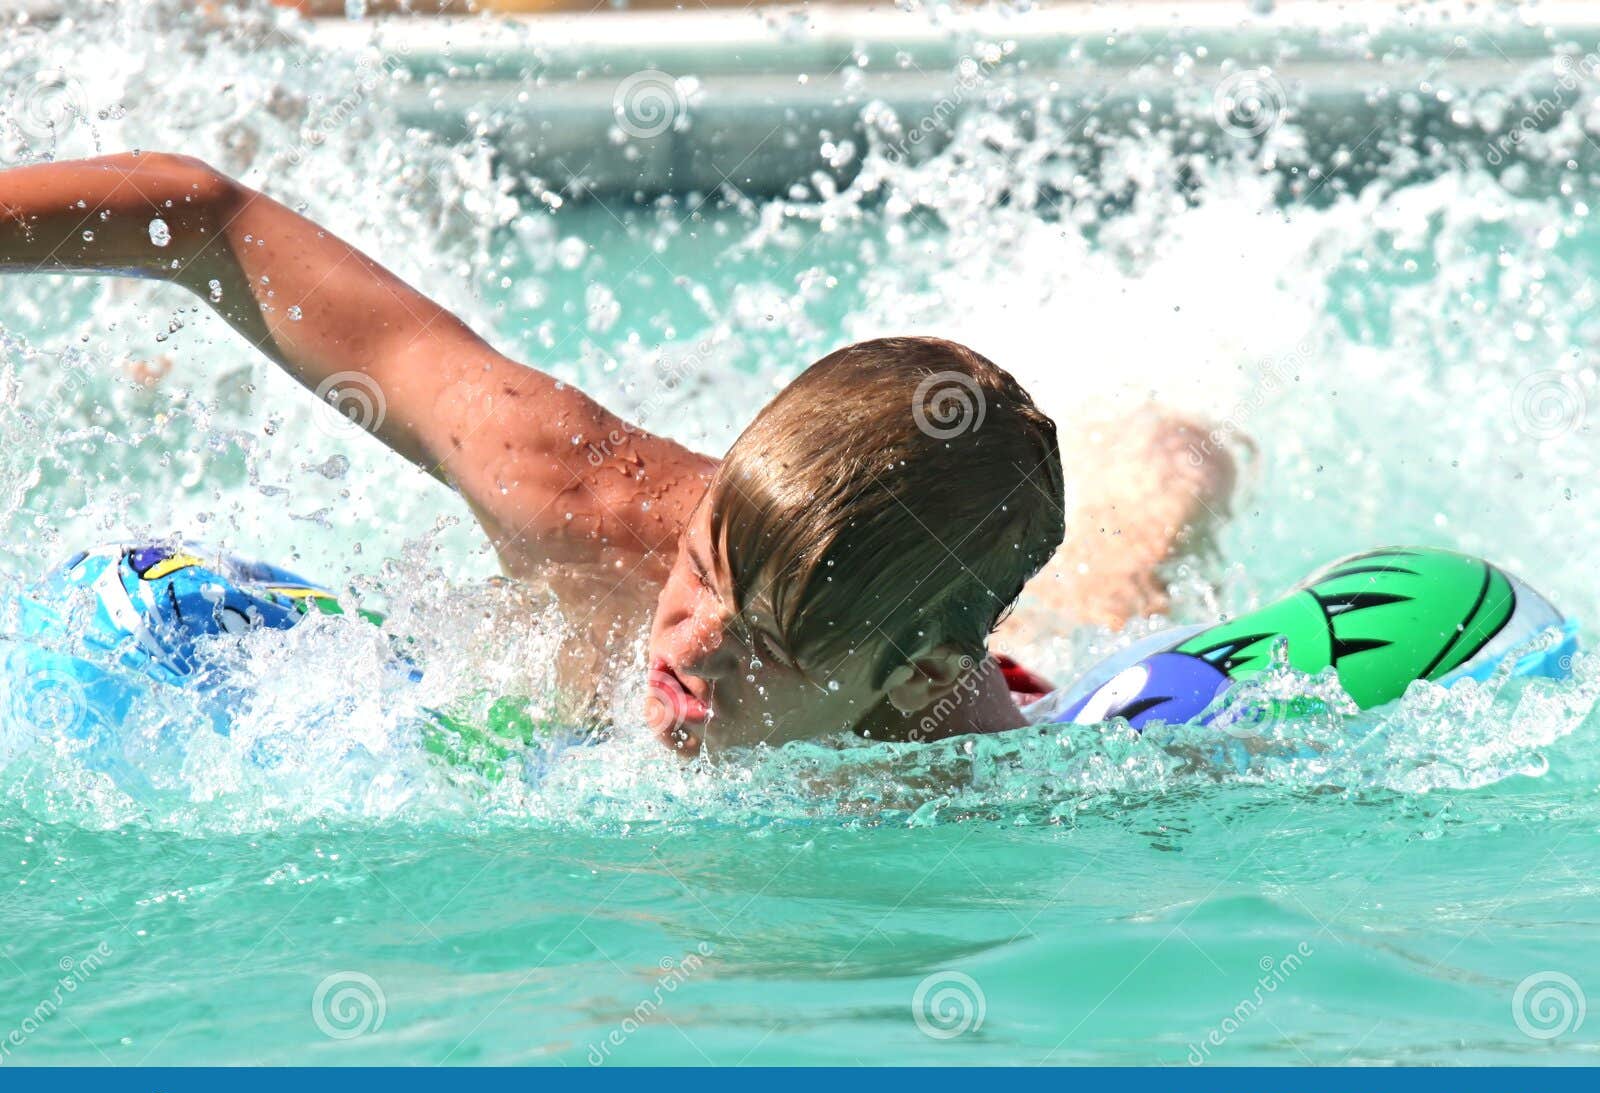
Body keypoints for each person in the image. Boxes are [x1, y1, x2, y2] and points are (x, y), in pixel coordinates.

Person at [0, 152, 1234, 756]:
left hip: (968, 645)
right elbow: (202, 218)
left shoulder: (945, 746)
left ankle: (1170, 480)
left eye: (766, 640)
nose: (692, 641)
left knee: (1098, 617)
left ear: (903, 684)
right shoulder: (568, 489)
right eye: (701, 569)